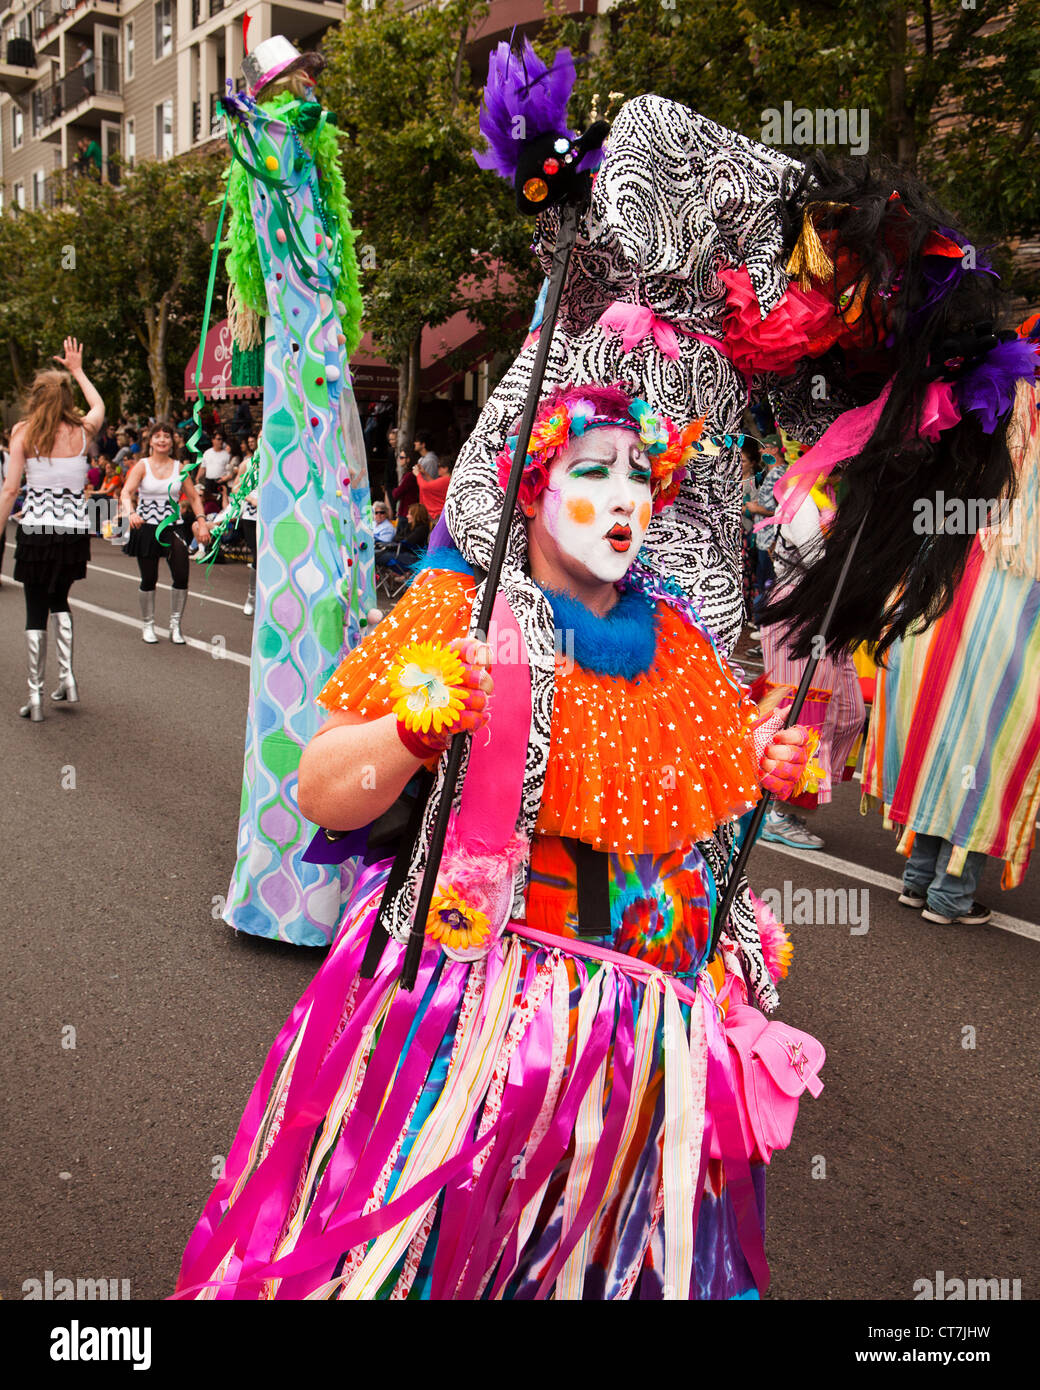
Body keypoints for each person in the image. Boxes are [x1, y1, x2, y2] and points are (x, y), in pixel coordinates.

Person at [174, 383, 817, 1302]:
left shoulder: (682, 646)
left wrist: (761, 765)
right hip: (485, 1021)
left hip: (648, 1045)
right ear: (531, 488)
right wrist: (408, 735)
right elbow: (324, 791)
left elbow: (703, 815)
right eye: (591, 470)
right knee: (452, 1261)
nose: (625, 495)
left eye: (641, 475)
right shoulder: (463, 613)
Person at [861, 347, 1040, 924]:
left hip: (939, 596)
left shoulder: (976, 405)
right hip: (1007, 609)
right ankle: (950, 894)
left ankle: (918, 880)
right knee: (985, 741)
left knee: (943, 732)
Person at [0, 337, 104, 719]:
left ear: (36, 397)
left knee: (34, 610)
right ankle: (68, 679)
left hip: (37, 530)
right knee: (60, 601)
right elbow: (98, 405)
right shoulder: (83, 431)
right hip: (74, 530)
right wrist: (77, 370)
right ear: (64, 398)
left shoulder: (23, 433)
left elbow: (11, 489)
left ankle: (36, 697)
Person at [758, 482, 865, 851]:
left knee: (850, 712)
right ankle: (775, 809)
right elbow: (817, 561)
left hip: (830, 614)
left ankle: (800, 795)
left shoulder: (838, 495)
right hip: (798, 611)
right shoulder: (800, 492)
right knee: (803, 715)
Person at [120, 421, 211, 644]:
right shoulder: (142, 466)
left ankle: (175, 626)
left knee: (181, 575)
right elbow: (126, 492)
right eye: (158, 436)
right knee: (149, 578)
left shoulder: (180, 468)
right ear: (150, 441)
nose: (162, 440)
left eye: (167, 436)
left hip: (172, 527)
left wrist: (201, 521)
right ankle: (148, 624)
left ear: (173, 441)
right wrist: (131, 512)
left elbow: (193, 498)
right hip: (146, 527)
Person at [414, 455, 452, 523]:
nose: (437, 469)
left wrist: (418, 475)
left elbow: (424, 487)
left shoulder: (445, 480)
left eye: (439, 466)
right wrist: (424, 473)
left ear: (446, 468)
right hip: (442, 513)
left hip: (438, 514)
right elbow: (433, 483)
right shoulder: (449, 479)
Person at [391, 446, 418, 523]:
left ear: (408, 459)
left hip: (406, 512)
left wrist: (394, 490)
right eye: (399, 457)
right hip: (406, 511)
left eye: (402, 457)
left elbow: (397, 493)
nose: (400, 459)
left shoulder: (409, 476)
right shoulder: (410, 474)